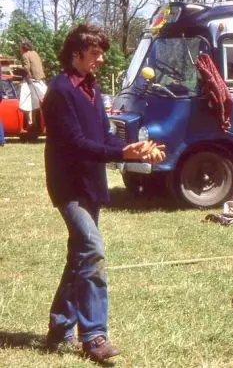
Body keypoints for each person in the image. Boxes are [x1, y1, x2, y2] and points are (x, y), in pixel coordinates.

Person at [43, 24, 165, 362]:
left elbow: (104, 136)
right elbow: (76, 145)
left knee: (79, 257)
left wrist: (131, 148)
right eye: (95, 52)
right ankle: (94, 336)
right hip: (68, 187)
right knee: (93, 251)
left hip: (91, 185)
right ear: (76, 53)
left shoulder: (93, 91)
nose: (100, 58)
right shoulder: (60, 91)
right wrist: (121, 154)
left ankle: (59, 327)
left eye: (101, 52)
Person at [18, 39, 47, 133]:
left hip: (31, 81)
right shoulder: (35, 53)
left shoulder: (25, 55)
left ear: (23, 47)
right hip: (40, 80)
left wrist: (17, 69)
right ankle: (34, 123)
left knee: (26, 102)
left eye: (20, 47)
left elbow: (26, 68)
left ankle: (31, 123)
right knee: (37, 103)